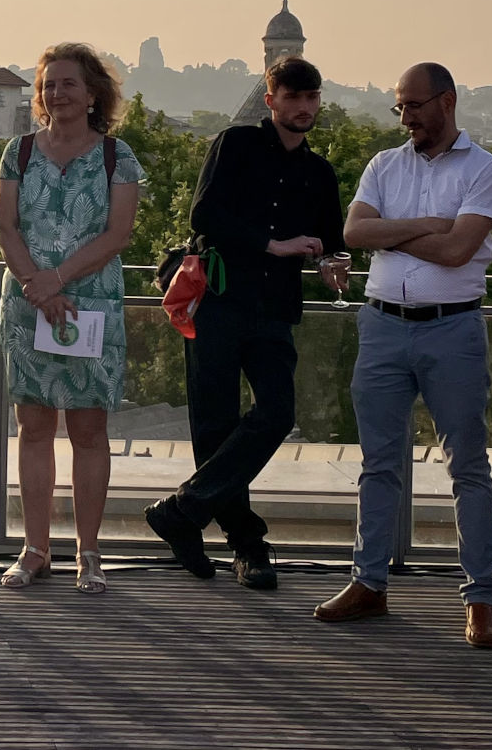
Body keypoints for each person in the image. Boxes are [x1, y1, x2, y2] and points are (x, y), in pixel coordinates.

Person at [314, 63, 492, 649]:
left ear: (446, 102)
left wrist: (390, 231)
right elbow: (352, 233)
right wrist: (423, 224)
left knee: (468, 467)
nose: (405, 117)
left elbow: (457, 252)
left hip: (453, 331)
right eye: (399, 107)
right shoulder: (384, 164)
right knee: (378, 463)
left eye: (414, 106)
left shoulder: (485, 169)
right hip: (382, 328)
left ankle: (480, 600)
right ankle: (368, 583)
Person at [144, 57, 344, 589]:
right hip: (220, 299)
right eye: (293, 97)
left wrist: (328, 265)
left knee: (277, 412)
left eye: (312, 98)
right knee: (214, 425)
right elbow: (204, 216)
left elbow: (331, 239)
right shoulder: (234, 144)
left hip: (275, 308)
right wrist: (273, 243)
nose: (304, 107)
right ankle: (247, 546)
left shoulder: (320, 172)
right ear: (270, 98)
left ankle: (181, 512)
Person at [0, 42, 144, 592]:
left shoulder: (117, 156)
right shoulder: (19, 152)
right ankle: (35, 550)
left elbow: (117, 234)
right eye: (48, 84)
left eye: (68, 84)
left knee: (87, 428)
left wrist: (56, 282)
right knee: (32, 428)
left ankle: (88, 554)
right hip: (29, 304)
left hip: (91, 305)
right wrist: (39, 285)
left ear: (92, 95)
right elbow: (6, 229)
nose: (56, 93)